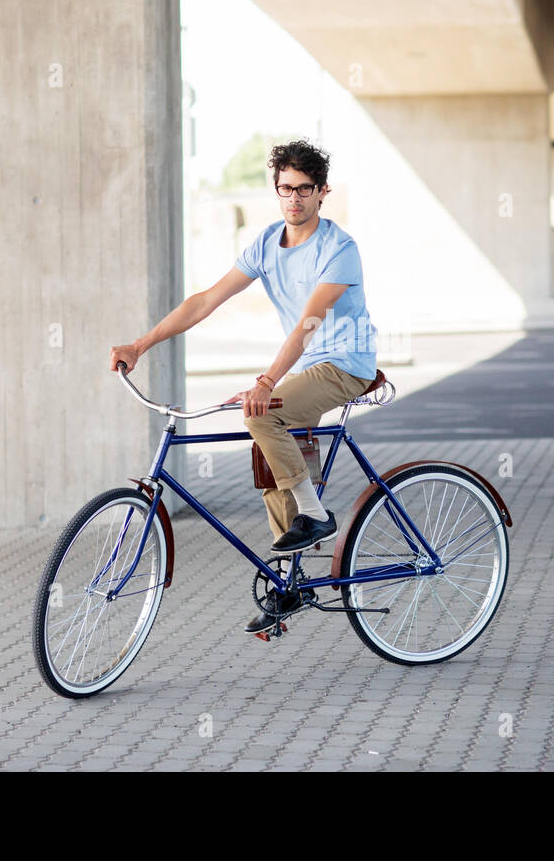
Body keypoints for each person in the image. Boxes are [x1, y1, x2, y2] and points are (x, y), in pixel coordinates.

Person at [108, 139, 377, 634]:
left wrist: (267, 381)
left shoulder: (339, 249)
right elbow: (206, 300)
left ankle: (316, 517)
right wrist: (140, 345)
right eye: (284, 189)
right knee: (270, 455)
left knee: (260, 413)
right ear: (276, 191)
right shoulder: (266, 244)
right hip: (307, 368)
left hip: (344, 364)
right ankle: (289, 583)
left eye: (303, 189)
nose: (293, 198)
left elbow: (309, 324)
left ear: (322, 193)